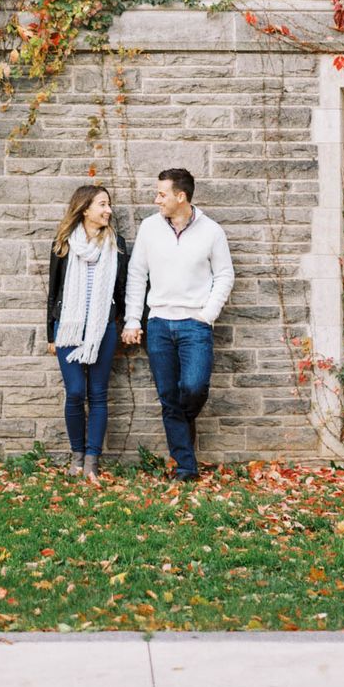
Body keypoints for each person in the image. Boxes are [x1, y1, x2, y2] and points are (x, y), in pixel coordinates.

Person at [122, 168, 234, 481]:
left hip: (195, 324)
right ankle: (186, 467)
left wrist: (207, 314)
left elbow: (225, 274)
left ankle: (180, 432)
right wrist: (133, 319)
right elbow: (136, 275)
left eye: (162, 194)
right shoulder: (149, 228)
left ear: (180, 196)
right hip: (158, 323)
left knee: (194, 388)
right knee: (168, 395)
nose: (156, 199)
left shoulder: (211, 231)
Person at [47, 184, 128, 480]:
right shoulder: (64, 244)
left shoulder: (116, 244)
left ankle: (92, 459)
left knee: (97, 394)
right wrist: (50, 336)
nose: (108, 210)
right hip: (68, 327)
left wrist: (113, 320)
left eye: (108, 204)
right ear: (84, 209)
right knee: (75, 392)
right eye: (102, 204)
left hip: (102, 329)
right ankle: (77, 453)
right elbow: (53, 291)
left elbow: (121, 289)